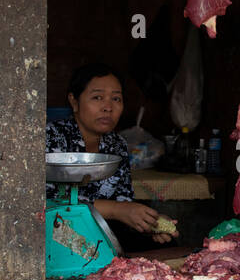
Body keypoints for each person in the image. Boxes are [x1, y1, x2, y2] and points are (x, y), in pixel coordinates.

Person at [46, 62, 177, 247]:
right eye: (97, 97)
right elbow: (47, 201)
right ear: (74, 101)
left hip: (102, 234)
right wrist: (117, 210)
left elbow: (124, 201)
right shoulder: (50, 137)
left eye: (116, 99)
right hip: (56, 234)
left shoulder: (117, 145)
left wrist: (149, 222)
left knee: (166, 246)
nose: (108, 107)